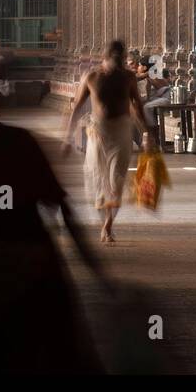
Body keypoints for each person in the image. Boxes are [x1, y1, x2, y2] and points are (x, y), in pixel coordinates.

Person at [0, 122, 109, 374]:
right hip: (32, 259)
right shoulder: (25, 148)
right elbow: (67, 213)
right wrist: (98, 271)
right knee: (47, 346)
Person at [65, 40, 149, 244]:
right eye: (115, 58)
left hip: (121, 131)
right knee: (97, 178)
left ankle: (108, 226)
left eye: (121, 58)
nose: (118, 62)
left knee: (116, 180)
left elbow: (137, 106)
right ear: (106, 57)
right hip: (98, 134)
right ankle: (105, 218)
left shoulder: (128, 77)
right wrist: (67, 137)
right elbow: (77, 107)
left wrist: (146, 133)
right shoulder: (92, 77)